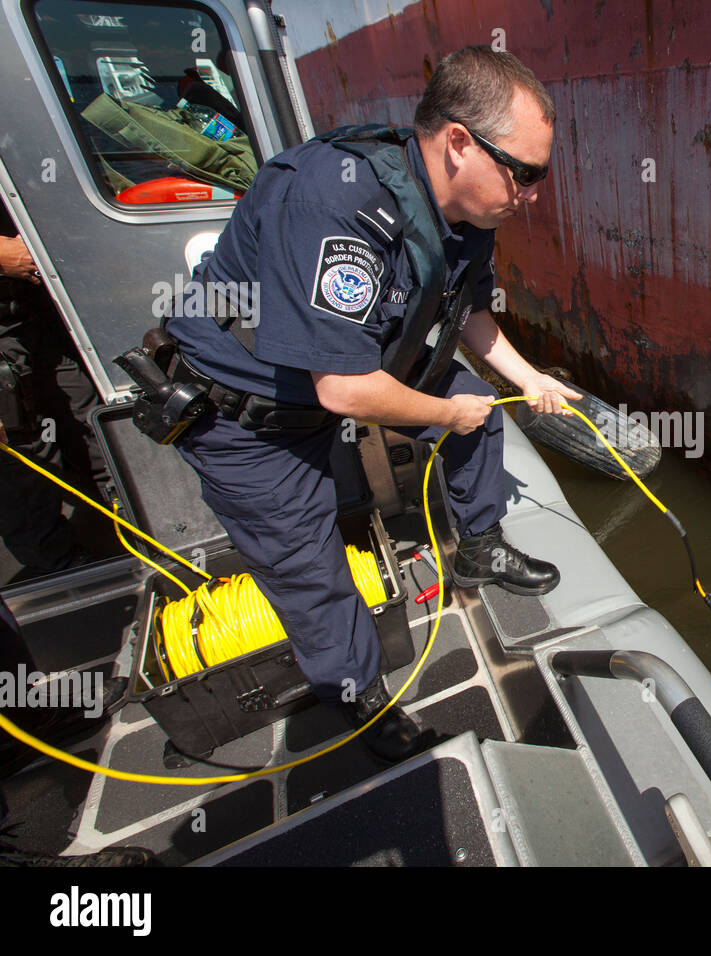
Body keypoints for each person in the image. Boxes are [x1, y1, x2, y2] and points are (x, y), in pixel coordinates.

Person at [163, 46, 580, 761]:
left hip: (359, 365)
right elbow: (345, 391)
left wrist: (531, 378)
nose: (533, 194)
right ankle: (359, 703)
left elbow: (468, 310)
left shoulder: (468, 212)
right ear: (459, 143)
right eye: (527, 174)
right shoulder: (335, 199)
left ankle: (476, 548)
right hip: (253, 417)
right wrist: (446, 415)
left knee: (474, 394)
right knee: (313, 575)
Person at [0, 209, 108, 579]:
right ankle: (58, 568)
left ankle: (130, 517)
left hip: (31, 308)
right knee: (19, 449)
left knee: (89, 416)